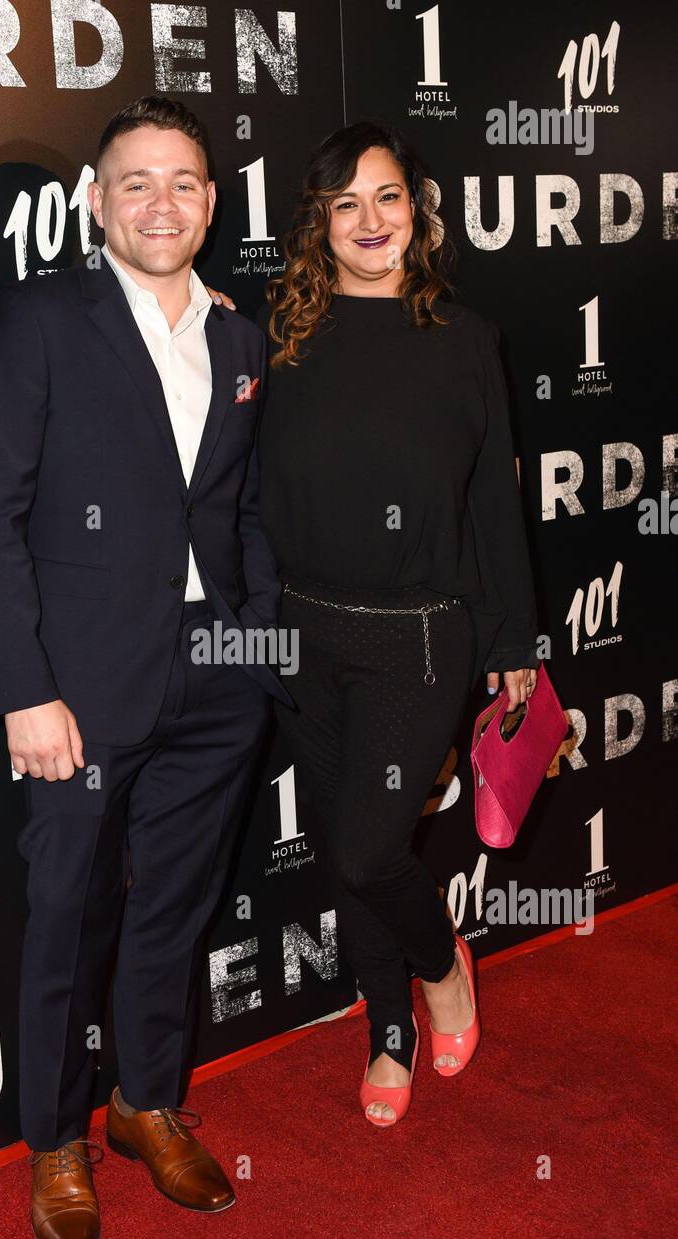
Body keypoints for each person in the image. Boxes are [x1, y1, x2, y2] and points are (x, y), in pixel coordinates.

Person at [0, 96, 293, 1239]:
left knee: (178, 910)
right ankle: (53, 1138)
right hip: (79, 694)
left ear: (210, 199)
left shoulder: (239, 339)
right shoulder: (39, 321)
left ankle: (145, 1102)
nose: (163, 202)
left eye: (186, 181)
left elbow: (237, 508)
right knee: (65, 918)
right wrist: (24, 691)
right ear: (96, 201)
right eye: (137, 181)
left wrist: (253, 643)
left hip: (218, 683)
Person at [252, 122, 541, 1125]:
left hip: (418, 640)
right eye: (347, 203)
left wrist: (514, 644)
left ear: (415, 211)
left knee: (369, 853)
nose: (370, 221)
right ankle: (386, 1026)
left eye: (388, 197)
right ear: (318, 224)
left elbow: (495, 509)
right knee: (346, 845)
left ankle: (443, 965)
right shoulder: (280, 338)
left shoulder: (465, 343)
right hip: (300, 634)